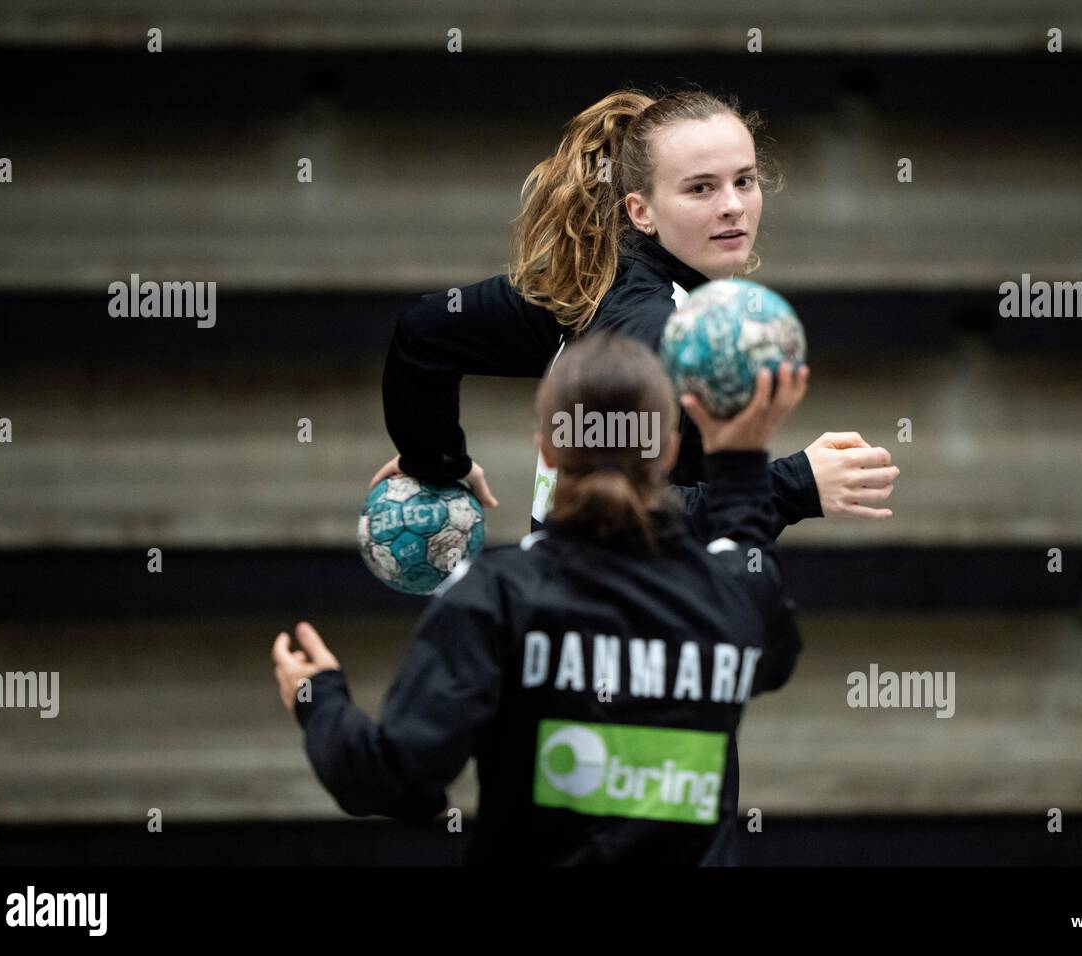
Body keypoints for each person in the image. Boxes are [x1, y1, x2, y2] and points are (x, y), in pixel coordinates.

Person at [273, 334, 808, 864]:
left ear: (547, 451)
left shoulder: (496, 595)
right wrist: (741, 460)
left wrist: (319, 702)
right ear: (668, 450)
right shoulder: (733, 593)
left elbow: (397, 780)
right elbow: (766, 625)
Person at [374, 87, 898, 541]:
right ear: (639, 210)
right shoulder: (649, 331)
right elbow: (613, 518)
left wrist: (435, 460)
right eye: (701, 188)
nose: (733, 205)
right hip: (617, 630)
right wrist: (795, 487)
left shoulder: (587, 283)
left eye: (744, 180)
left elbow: (425, 332)